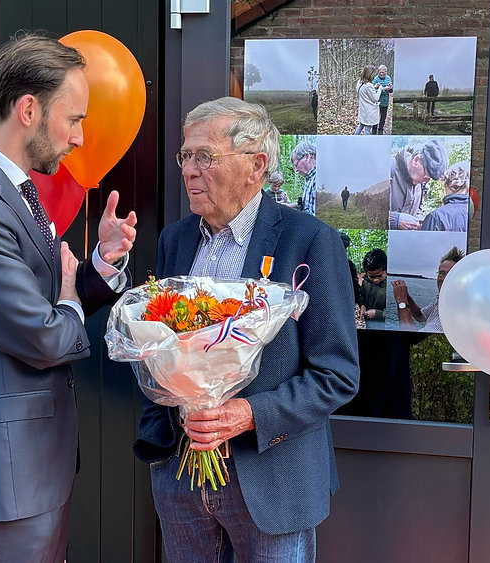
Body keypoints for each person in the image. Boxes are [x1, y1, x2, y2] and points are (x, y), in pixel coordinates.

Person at [0, 32, 138, 562]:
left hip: (36, 466)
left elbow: (48, 299)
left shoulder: (10, 188)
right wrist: (68, 299)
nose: (81, 139)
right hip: (10, 478)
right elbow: (43, 337)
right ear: (28, 110)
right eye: (75, 119)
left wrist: (100, 267)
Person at [135, 97, 360, 562]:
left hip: (271, 479)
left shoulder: (310, 241)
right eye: (186, 156)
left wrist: (248, 414)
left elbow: (337, 375)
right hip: (182, 474)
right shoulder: (175, 240)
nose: (189, 170)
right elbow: (161, 345)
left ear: (256, 166)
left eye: (205, 156)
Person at [392, 246, 464, 332]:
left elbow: (412, 339)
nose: (444, 278)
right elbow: (420, 316)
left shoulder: (456, 311)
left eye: (451, 274)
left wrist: (402, 302)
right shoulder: (441, 301)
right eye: (441, 273)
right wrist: (406, 296)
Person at [389, 138, 448, 230]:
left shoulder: (421, 184)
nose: (426, 181)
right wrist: (394, 220)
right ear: (416, 161)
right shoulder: (389, 169)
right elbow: (363, 211)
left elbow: (418, 209)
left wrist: (420, 221)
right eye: (426, 176)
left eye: (429, 179)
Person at [422, 161, 470, 232]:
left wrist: (428, 224)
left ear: (447, 184)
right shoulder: (477, 215)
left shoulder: (436, 217)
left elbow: (423, 242)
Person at [357, 248, 387, 324]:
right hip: (369, 324)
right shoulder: (365, 282)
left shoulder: (392, 287)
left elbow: (395, 314)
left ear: (386, 270)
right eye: (372, 277)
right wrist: (362, 305)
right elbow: (361, 296)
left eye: (379, 275)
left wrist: (378, 314)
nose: (376, 280)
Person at [290, 140, 318, 216]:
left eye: (296, 165)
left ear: (307, 157)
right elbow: (308, 206)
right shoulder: (309, 178)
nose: (296, 169)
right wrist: (288, 207)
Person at [354, 65, 381, 135]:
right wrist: (380, 89)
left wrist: (374, 87)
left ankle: (353, 139)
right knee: (367, 129)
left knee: (361, 126)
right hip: (369, 112)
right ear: (370, 74)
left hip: (363, 110)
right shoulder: (369, 85)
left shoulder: (359, 82)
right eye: (374, 74)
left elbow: (364, 92)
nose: (375, 76)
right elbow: (375, 99)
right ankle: (366, 143)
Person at [371, 65, 393, 134]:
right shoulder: (376, 79)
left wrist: (390, 88)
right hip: (376, 101)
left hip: (385, 101)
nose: (381, 74)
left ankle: (380, 129)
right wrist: (384, 89)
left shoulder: (388, 78)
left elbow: (391, 90)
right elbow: (372, 90)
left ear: (386, 72)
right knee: (376, 116)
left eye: (382, 72)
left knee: (383, 117)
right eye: (380, 72)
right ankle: (374, 130)